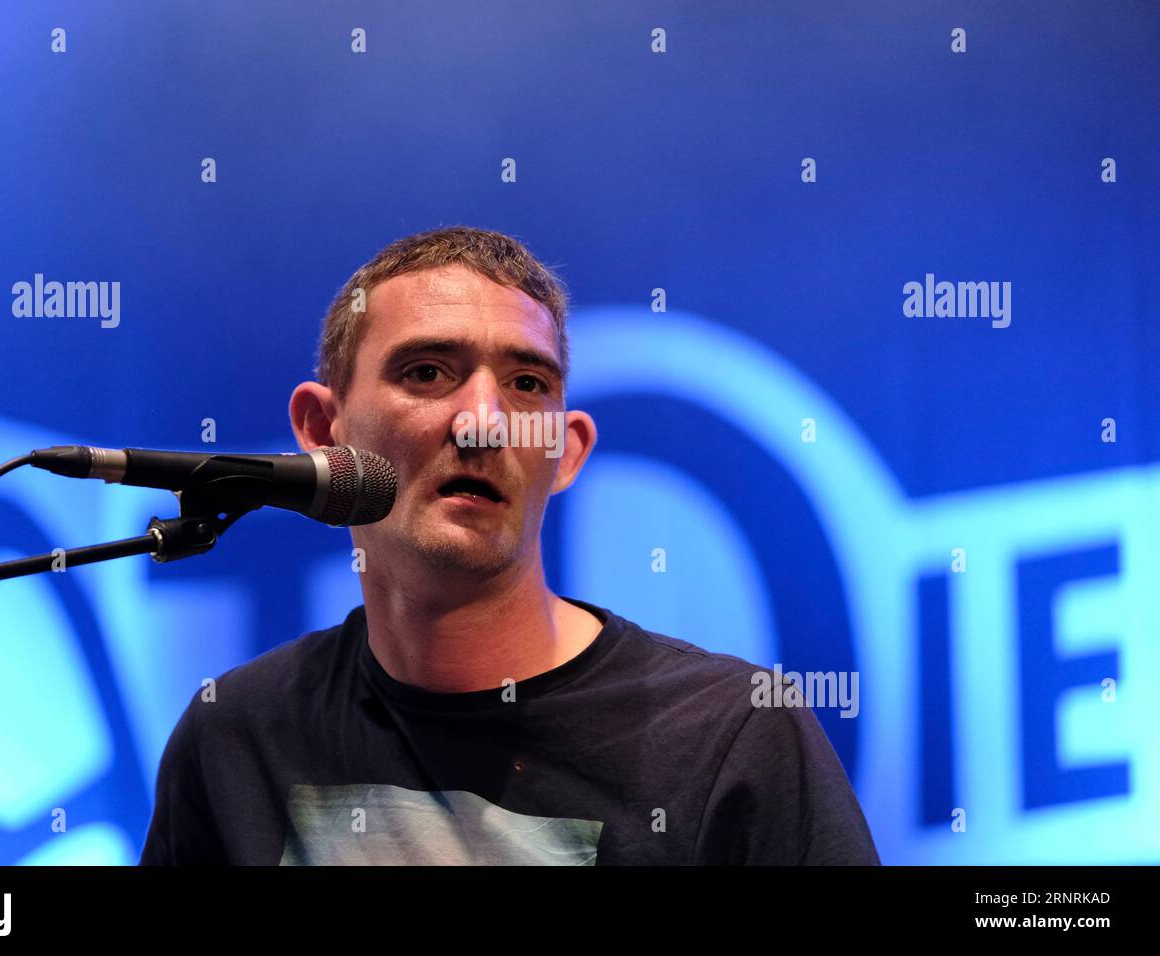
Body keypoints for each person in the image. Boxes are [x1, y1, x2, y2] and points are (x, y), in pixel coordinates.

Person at [139, 225, 881, 865]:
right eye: (427, 372)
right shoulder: (237, 734)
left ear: (566, 450)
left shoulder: (734, 735)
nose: (485, 423)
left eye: (528, 384)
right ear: (322, 431)